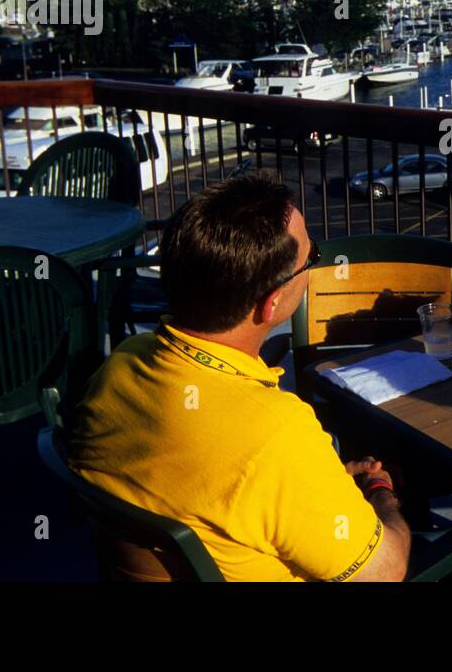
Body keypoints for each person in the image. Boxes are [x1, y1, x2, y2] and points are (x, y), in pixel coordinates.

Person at [66, 171, 411, 582]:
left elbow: (217, 487)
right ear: (272, 303)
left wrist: (323, 481)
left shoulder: (121, 365)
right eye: (311, 257)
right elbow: (387, 571)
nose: (315, 261)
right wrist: (380, 492)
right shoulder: (275, 432)